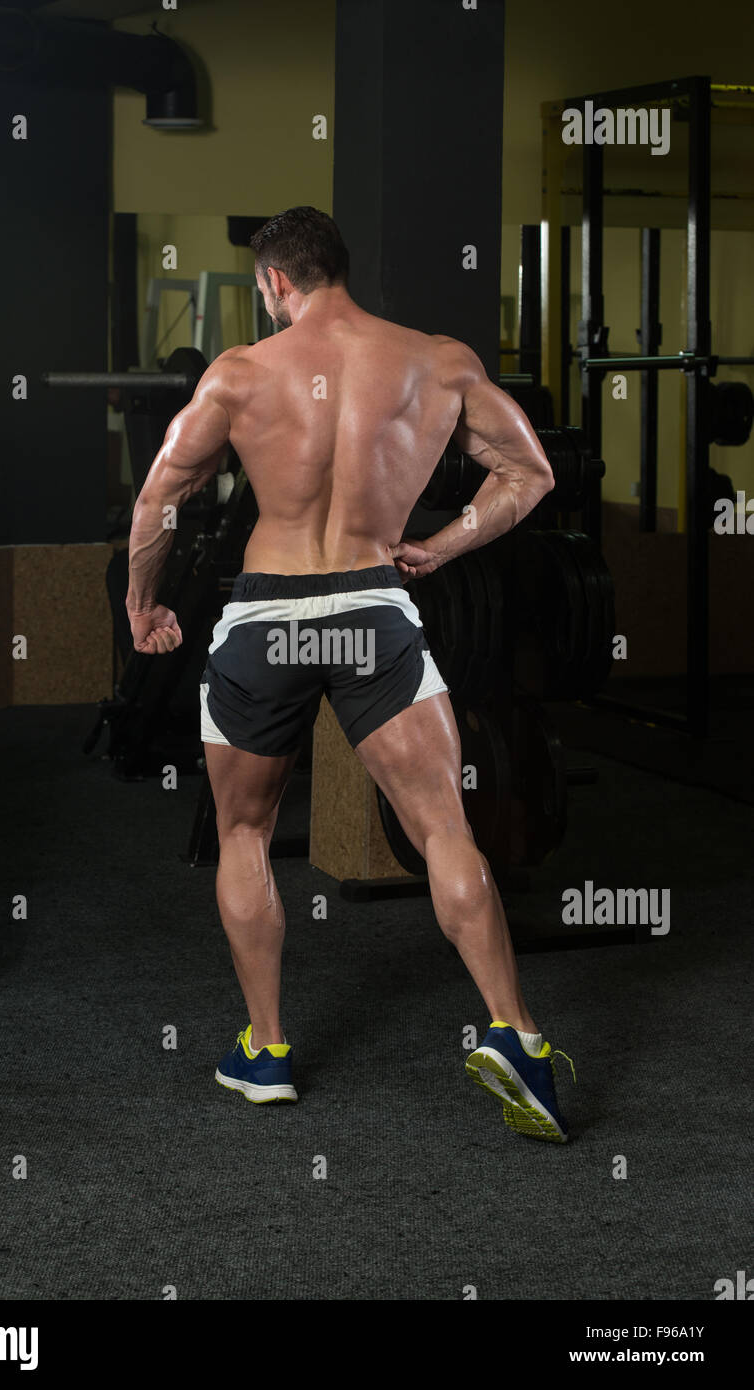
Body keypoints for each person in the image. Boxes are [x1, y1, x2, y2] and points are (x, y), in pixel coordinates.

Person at [126, 206, 575, 1143]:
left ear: (276, 283)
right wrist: (440, 548)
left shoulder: (241, 374)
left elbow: (161, 493)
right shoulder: (436, 360)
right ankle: (515, 1034)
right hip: (372, 612)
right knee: (445, 827)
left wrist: (143, 605)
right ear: (336, 270)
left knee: (244, 827)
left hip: (266, 619)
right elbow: (528, 475)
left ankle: (268, 1051)